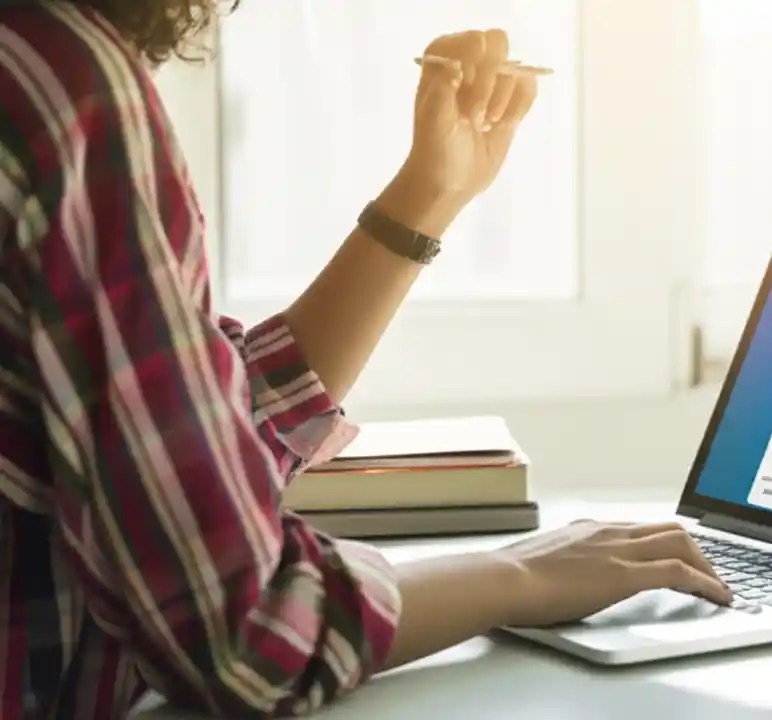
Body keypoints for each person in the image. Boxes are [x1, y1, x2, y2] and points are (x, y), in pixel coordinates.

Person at [0, 2, 732, 717]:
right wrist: (520, 572)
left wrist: (429, 196)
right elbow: (246, 636)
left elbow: (183, 450)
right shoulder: (64, 83)